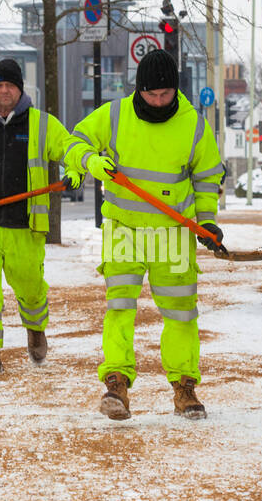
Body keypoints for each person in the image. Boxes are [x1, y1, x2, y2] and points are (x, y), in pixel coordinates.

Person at [66, 48, 225, 420]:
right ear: (138, 90)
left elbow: (206, 178)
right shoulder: (115, 114)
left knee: (181, 313)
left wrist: (207, 220)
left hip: (173, 232)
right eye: (150, 95)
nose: (157, 101)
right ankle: (117, 383)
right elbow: (75, 142)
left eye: (164, 94)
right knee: (119, 306)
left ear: (176, 90)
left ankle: (184, 387)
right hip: (124, 228)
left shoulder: (193, 124)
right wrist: (91, 160)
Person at [0, 57, 83, 374]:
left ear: (19, 89)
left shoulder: (41, 123)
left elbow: (68, 146)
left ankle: (36, 330)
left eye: (9, 85)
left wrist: (76, 170)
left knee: (29, 285)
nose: (3, 91)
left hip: (24, 225)